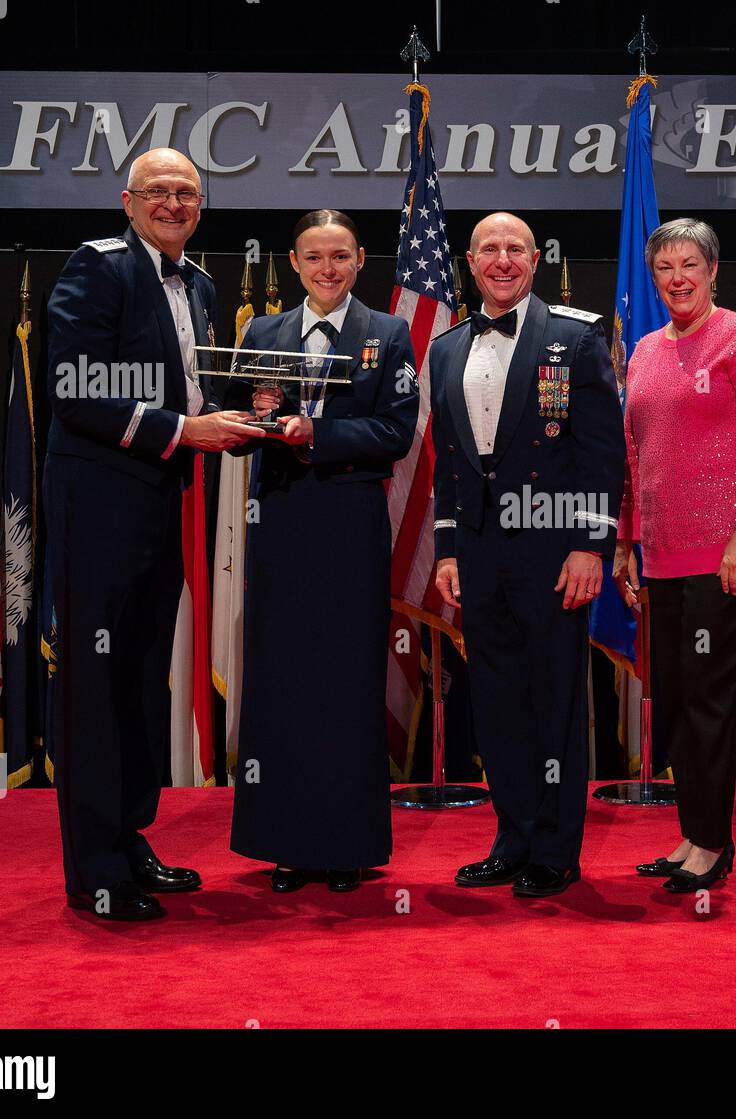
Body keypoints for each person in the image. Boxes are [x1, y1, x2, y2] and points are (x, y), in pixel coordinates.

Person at [45, 147, 261, 921]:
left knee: (140, 684)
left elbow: (193, 387)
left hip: (160, 508)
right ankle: (96, 871)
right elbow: (74, 390)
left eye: (188, 193)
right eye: (159, 192)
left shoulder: (198, 283)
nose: (174, 204)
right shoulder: (97, 268)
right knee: (95, 691)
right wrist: (184, 430)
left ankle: (130, 840)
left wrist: (252, 406)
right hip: (98, 513)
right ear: (128, 202)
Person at [430, 212, 625, 898]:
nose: (503, 259)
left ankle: (554, 848)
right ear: (471, 260)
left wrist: (590, 545)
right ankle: (511, 837)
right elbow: (448, 463)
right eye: (491, 249)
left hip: (553, 548)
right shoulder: (448, 346)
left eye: (516, 248)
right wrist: (447, 549)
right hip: (481, 554)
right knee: (496, 700)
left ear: (535, 258)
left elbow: (605, 453)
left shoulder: (574, 337)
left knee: (554, 701)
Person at [227, 209, 418, 892]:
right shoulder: (263, 331)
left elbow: (396, 430)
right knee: (281, 681)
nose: (327, 269)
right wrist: (251, 424)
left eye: (340, 257)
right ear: (294, 261)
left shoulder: (388, 333)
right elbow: (237, 416)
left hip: (348, 520)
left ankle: (347, 846)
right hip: (278, 518)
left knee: (346, 680)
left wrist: (318, 434)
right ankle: (286, 843)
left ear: (360, 259)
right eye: (314, 258)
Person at [612, 218, 736, 893]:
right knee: (679, 700)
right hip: (660, 555)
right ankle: (690, 834)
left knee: (711, 701)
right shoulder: (645, 350)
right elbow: (632, 454)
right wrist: (626, 538)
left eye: (690, 264)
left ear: (713, 269)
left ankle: (713, 843)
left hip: (724, 555)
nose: (677, 278)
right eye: (665, 267)